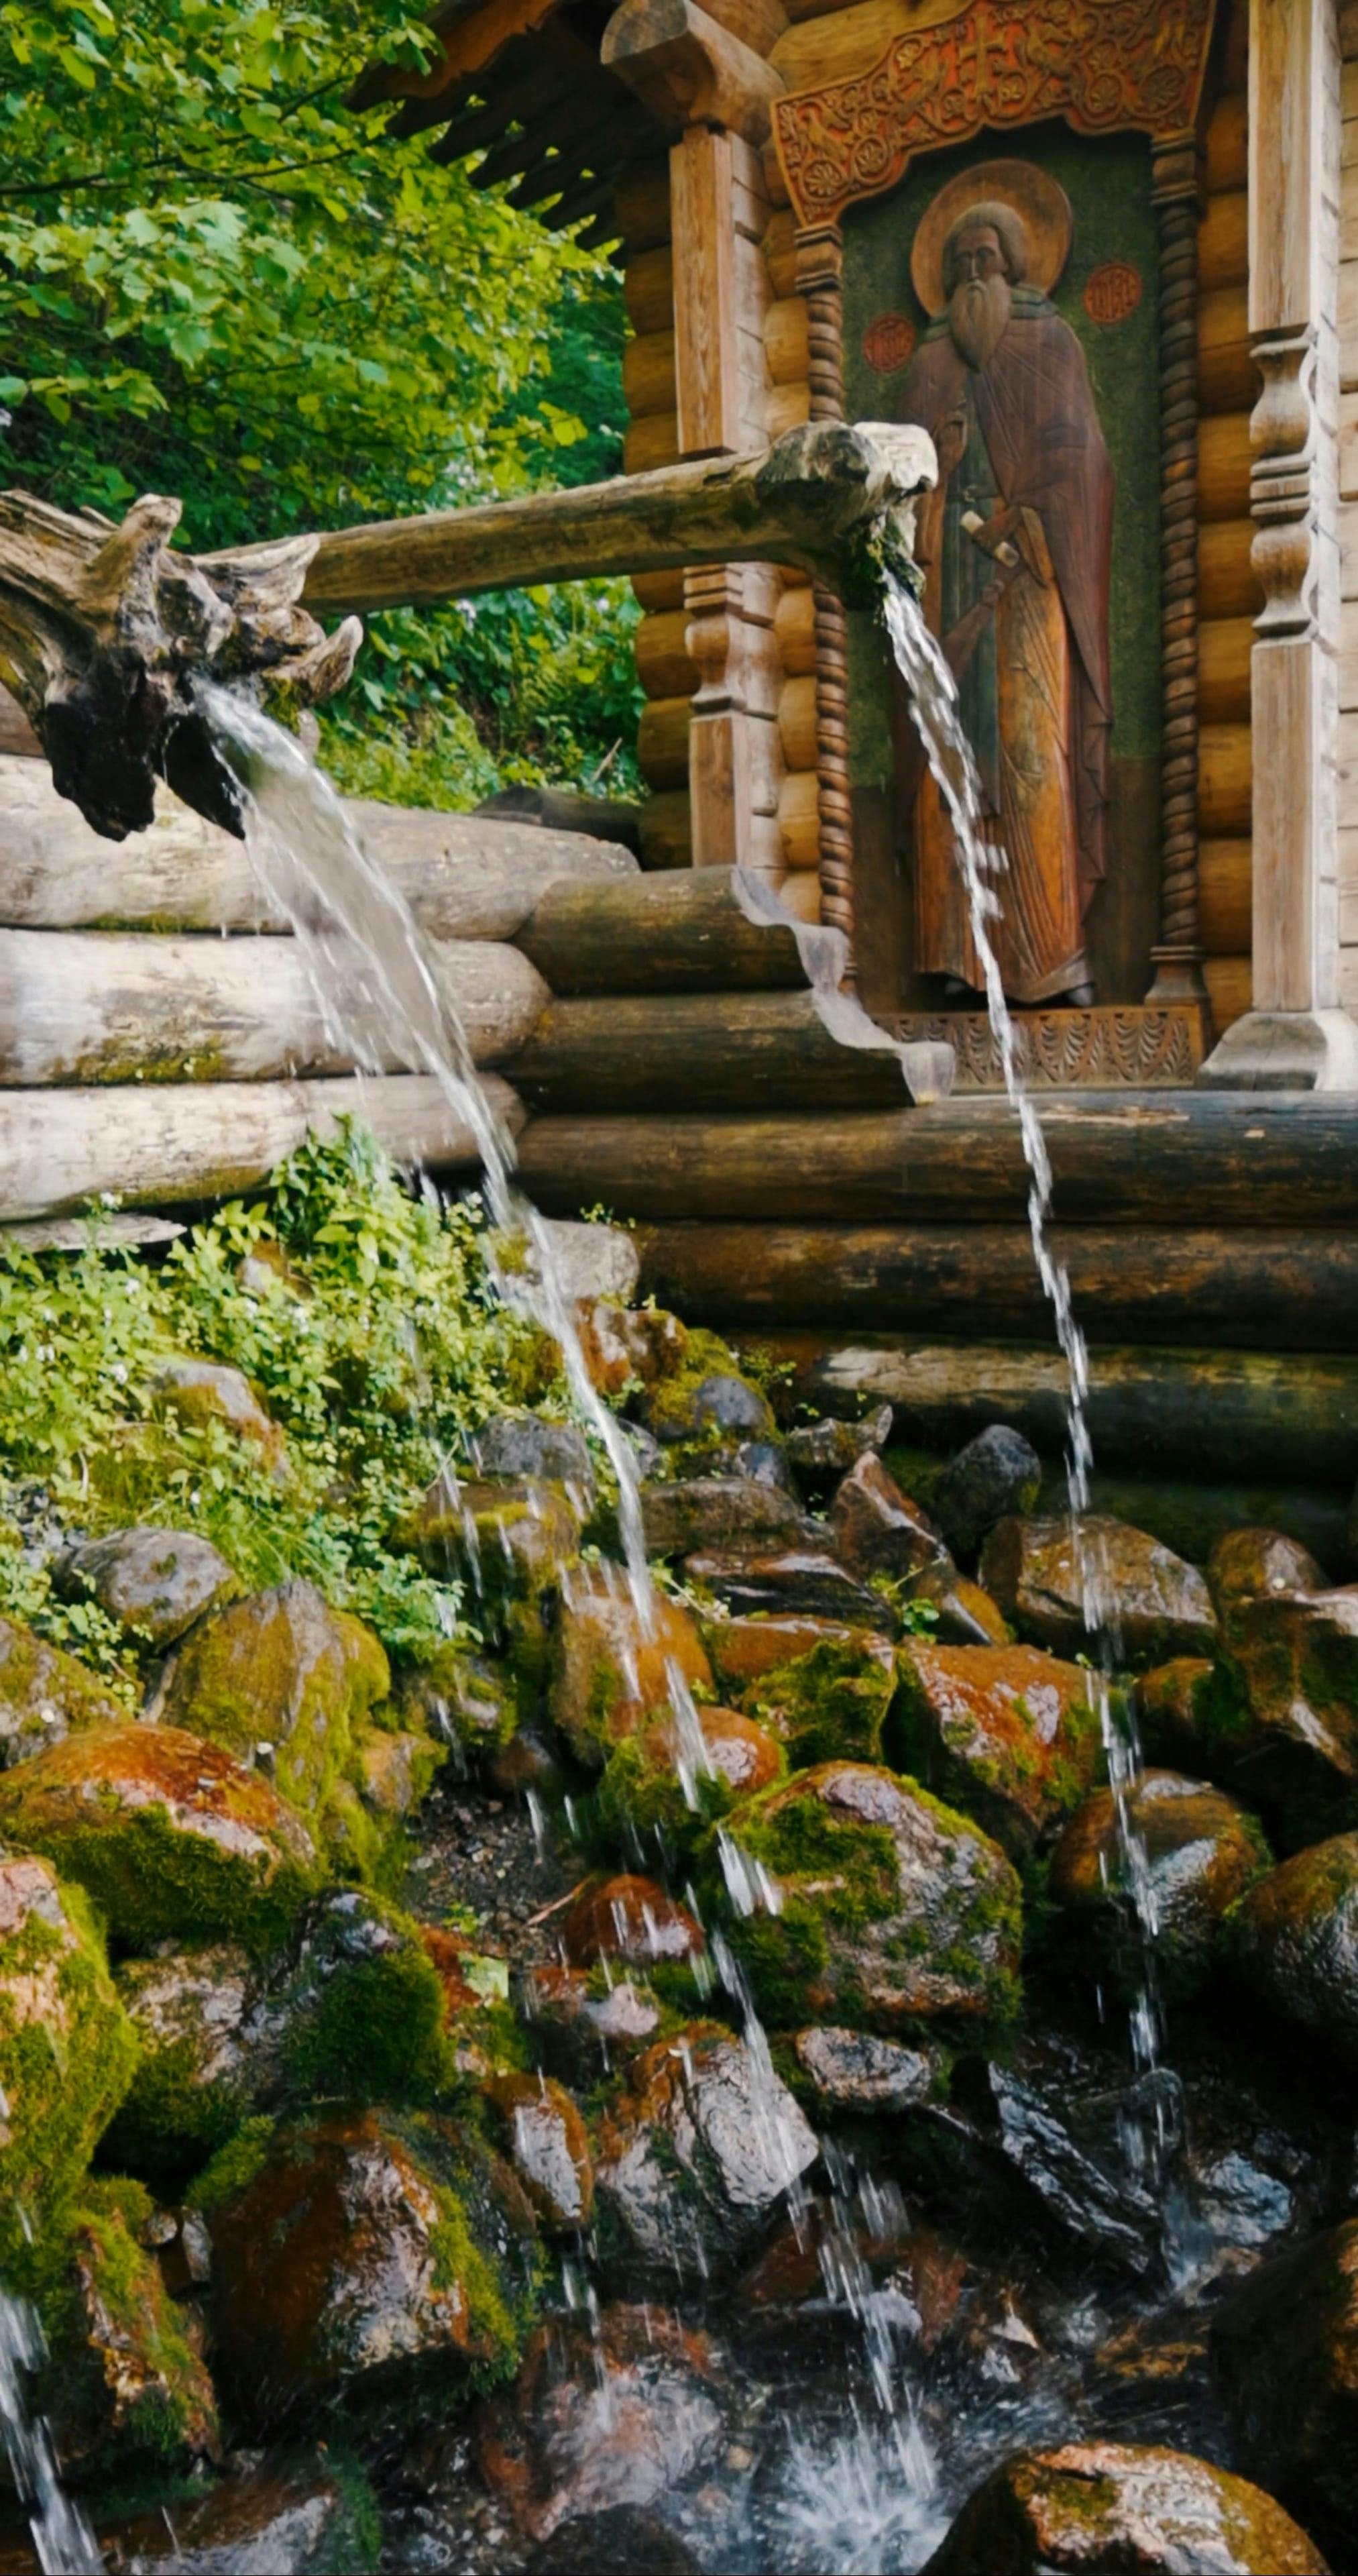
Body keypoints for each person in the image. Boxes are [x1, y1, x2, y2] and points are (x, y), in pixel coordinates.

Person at [894, 197, 1114, 1006]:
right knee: (950, 765)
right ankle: (958, 961)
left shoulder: (1050, 341)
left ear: (1016, 263)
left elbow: (1082, 461)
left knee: (1030, 763)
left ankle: (1050, 959)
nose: (973, 275)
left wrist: (1033, 514)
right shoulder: (928, 363)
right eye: (960, 265)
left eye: (986, 257)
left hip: (1030, 586)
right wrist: (943, 474)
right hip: (951, 581)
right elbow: (899, 482)